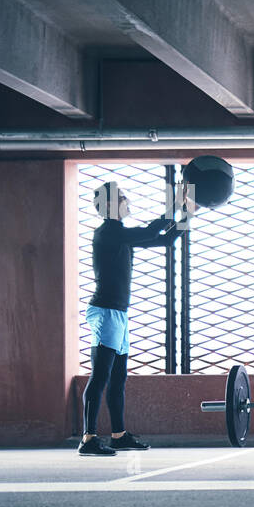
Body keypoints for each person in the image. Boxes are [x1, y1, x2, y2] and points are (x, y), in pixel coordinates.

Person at [78, 181, 188, 456]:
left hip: (118, 314)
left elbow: (163, 239)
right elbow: (152, 230)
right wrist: (176, 204)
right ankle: (88, 439)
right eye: (125, 199)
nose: (129, 203)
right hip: (106, 312)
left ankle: (118, 435)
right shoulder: (109, 232)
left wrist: (186, 214)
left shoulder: (119, 235)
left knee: (117, 378)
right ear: (114, 204)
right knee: (101, 376)